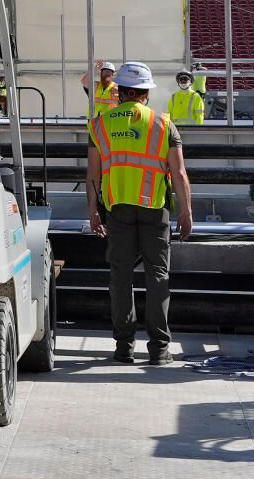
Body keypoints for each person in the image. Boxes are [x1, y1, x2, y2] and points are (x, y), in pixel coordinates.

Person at [87, 61, 193, 365]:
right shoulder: (163, 123)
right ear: (145, 93)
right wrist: (186, 212)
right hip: (154, 210)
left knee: (120, 278)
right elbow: (180, 173)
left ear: (119, 91)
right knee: (157, 277)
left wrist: (92, 211)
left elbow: (93, 174)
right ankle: (159, 350)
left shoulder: (99, 125)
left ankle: (124, 348)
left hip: (117, 210)